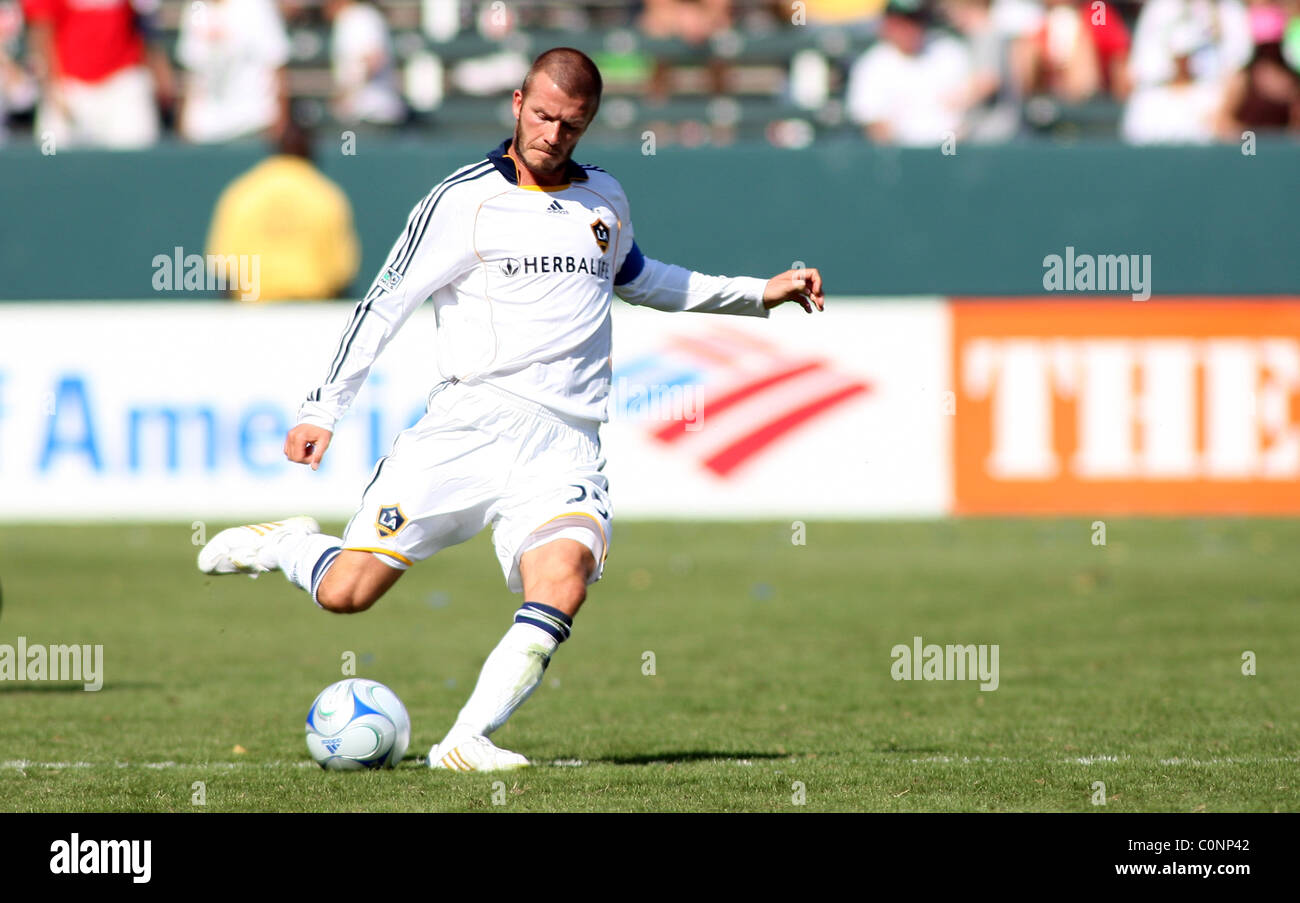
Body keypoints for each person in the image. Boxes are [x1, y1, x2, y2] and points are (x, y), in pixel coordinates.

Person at [196, 47, 825, 772]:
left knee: (565, 576)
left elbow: (643, 277)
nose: (553, 134)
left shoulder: (604, 199)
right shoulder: (461, 201)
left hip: (566, 445)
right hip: (468, 429)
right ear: (518, 100)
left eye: (572, 124)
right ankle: (289, 545)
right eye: (544, 114)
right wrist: (322, 408)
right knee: (347, 592)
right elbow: (384, 305)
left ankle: (465, 737)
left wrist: (757, 292)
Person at [205, 116, 361, 301]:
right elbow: (341, 272)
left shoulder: (243, 192)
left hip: (253, 313)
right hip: (312, 313)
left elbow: (225, 268)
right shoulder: (326, 195)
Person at [20, 0, 172, 148]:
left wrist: (160, 71)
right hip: (69, 86)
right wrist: (51, 89)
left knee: (136, 156)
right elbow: (40, 32)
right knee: (50, 151)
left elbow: (148, 24)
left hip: (122, 83)